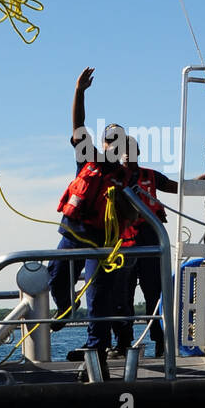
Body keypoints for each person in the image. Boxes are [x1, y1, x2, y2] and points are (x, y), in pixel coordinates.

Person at [48, 68, 129, 375]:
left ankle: (97, 354)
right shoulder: (88, 158)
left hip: (101, 244)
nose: (112, 143)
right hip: (73, 235)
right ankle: (65, 308)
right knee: (55, 276)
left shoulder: (123, 179)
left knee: (98, 299)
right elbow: (78, 125)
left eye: (118, 139)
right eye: (108, 138)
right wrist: (80, 91)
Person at [110, 138, 179, 357]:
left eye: (132, 149)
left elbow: (175, 187)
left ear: (138, 151)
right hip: (124, 241)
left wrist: (204, 183)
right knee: (122, 294)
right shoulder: (113, 177)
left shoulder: (151, 175)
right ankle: (122, 342)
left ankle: (160, 342)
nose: (128, 153)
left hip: (150, 238)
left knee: (154, 293)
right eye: (124, 150)